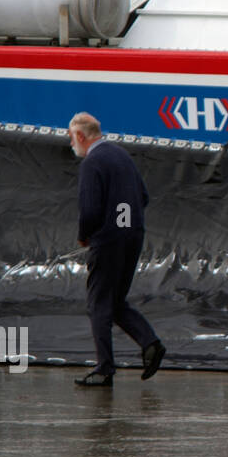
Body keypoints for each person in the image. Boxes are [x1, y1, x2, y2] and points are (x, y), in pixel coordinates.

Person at [69, 112, 164, 387]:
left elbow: (90, 209)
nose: (71, 144)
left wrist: (84, 237)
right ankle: (150, 344)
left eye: (71, 137)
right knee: (115, 301)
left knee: (98, 303)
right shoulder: (122, 156)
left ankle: (104, 369)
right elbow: (143, 197)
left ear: (81, 136)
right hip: (132, 237)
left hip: (107, 240)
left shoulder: (92, 162)